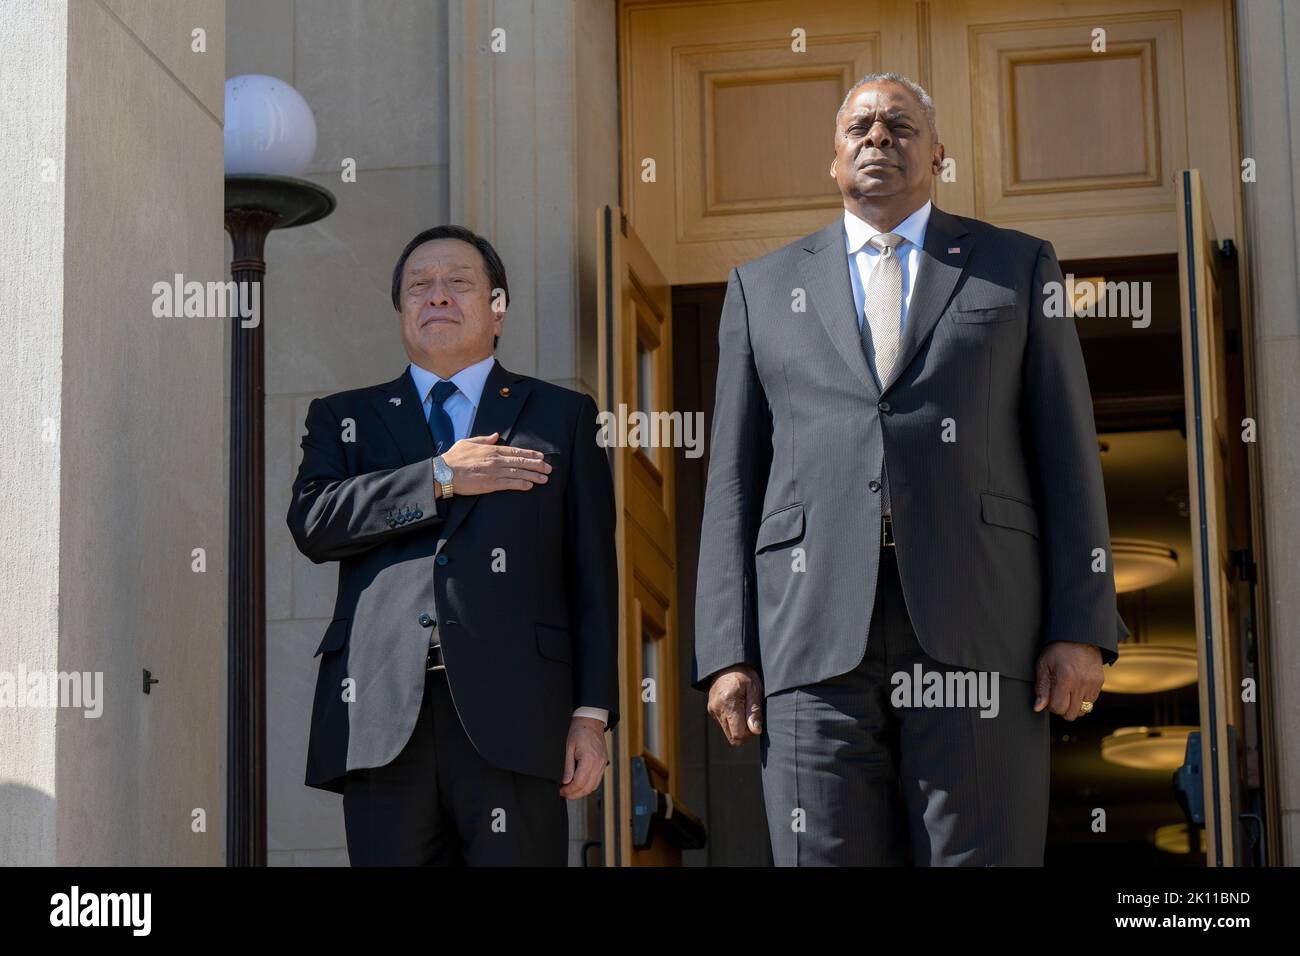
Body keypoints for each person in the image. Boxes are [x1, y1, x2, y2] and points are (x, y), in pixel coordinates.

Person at [694, 73, 1127, 865]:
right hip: (808, 631)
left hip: (980, 618)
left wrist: (1080, 623)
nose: (877, 139)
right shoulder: (762, 289)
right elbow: (732, 479)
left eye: (899, 126)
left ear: (938, 155)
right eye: (859, 127)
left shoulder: (1018, 267)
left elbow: (1067, 453)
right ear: (832, 159)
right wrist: (728, 647)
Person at [287, 225, 618, 865]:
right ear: (401, 312)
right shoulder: (344, 417)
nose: (437, 296)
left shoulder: (562, 416)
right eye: (420, 287)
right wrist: (439, 477)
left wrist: (590, 715)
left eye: (458, 283)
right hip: (381, 716)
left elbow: (593, 579)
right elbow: (313, 521)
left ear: (498, 311)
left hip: (518, 715)